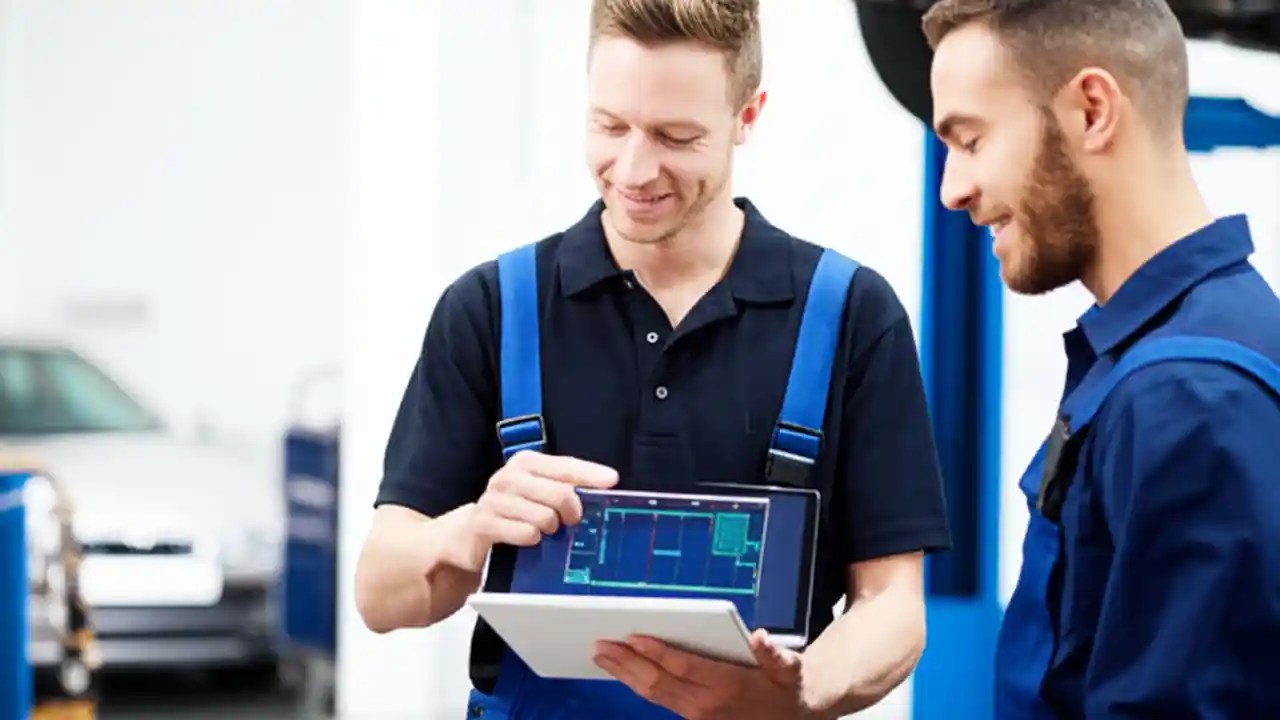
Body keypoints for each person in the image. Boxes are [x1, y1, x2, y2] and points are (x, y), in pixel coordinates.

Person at [353, 0, 952, 718]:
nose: (634, 169)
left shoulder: (851, 316)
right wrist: (474, 526)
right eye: (611, 126)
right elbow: (380, 594)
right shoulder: (492, 309)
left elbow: (893, 606)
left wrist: (797, 690)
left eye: (676, 136)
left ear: (747, 117)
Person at [923, 0, 1280, 717]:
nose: (952, 189)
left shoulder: (1189, 397)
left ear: (1091, 110)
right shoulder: (1182, 360)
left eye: (971, 139)